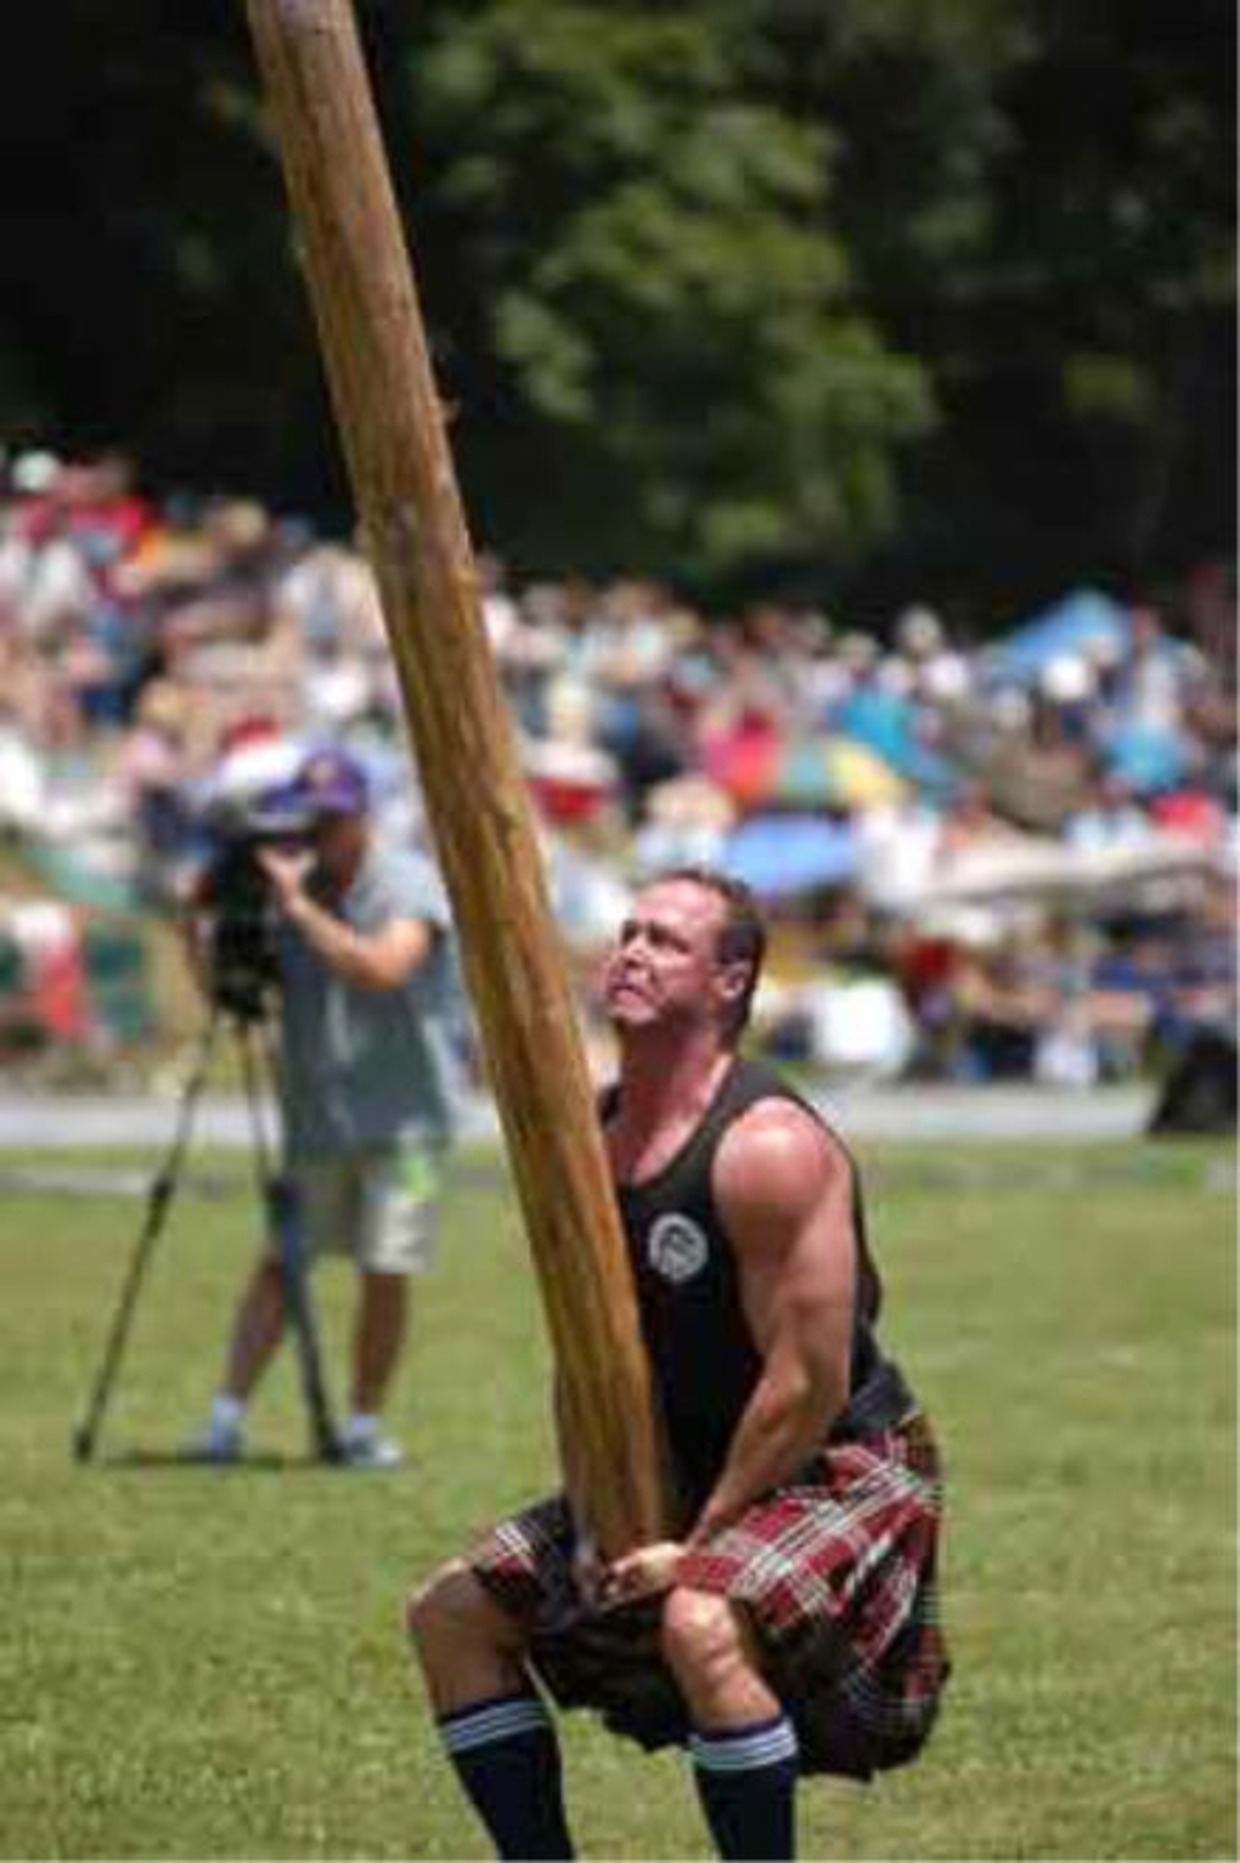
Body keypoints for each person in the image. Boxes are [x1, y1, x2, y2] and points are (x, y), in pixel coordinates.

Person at [407, 867, 949, 1859]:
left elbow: (806, 1380)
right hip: (683, 1459)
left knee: (698, 1617)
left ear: (733, 980)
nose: (632, 953)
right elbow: (586, 1352)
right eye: (628, 932)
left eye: (666, 940)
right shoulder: (588, 1140)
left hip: (837, 1464)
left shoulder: (767, 1148)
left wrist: (696, 1539)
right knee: (451, 1614)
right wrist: (589, 1509)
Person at [191, 745, 463, 1469]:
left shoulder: (408, 882)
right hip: (318, 1118)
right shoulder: (292, 888)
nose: (316, 833)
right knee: (282, 1263)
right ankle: (224, 1417)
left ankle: (364, 1423)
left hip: (407, 1122)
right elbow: (230, 992)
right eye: (307, 819)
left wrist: (298, 908)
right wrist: (202, 921)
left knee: (386, 1264)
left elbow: (383, 967)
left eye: (331, 818)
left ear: (362, 814)